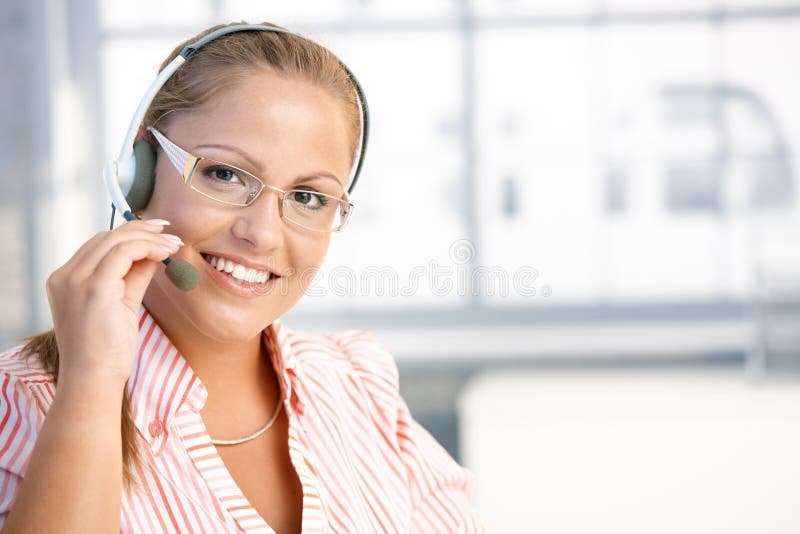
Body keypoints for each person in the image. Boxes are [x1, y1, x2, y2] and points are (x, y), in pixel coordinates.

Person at [0, 21, 484, 533]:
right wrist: (91, 381)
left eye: (307, 198)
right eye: (224, 174)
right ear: (136, 170)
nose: (263, 234)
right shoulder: (18, 405)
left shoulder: (355, 384)